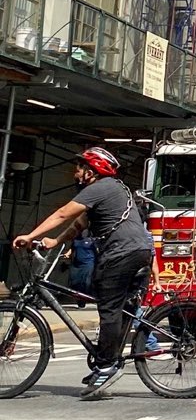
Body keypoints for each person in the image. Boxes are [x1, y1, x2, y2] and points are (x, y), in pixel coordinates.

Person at [14, 147, 154, 399]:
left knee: (109, 309)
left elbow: (62, 213)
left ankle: (106, 366)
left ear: (91, 171)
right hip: (139, 252)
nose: (75, 173)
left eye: (79, 169)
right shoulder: (115, 189)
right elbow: (79, 224)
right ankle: (109, 360)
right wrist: (55, 241)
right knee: (121, 308)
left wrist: (30, 235)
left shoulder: (99, 188)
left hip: (121, 253)